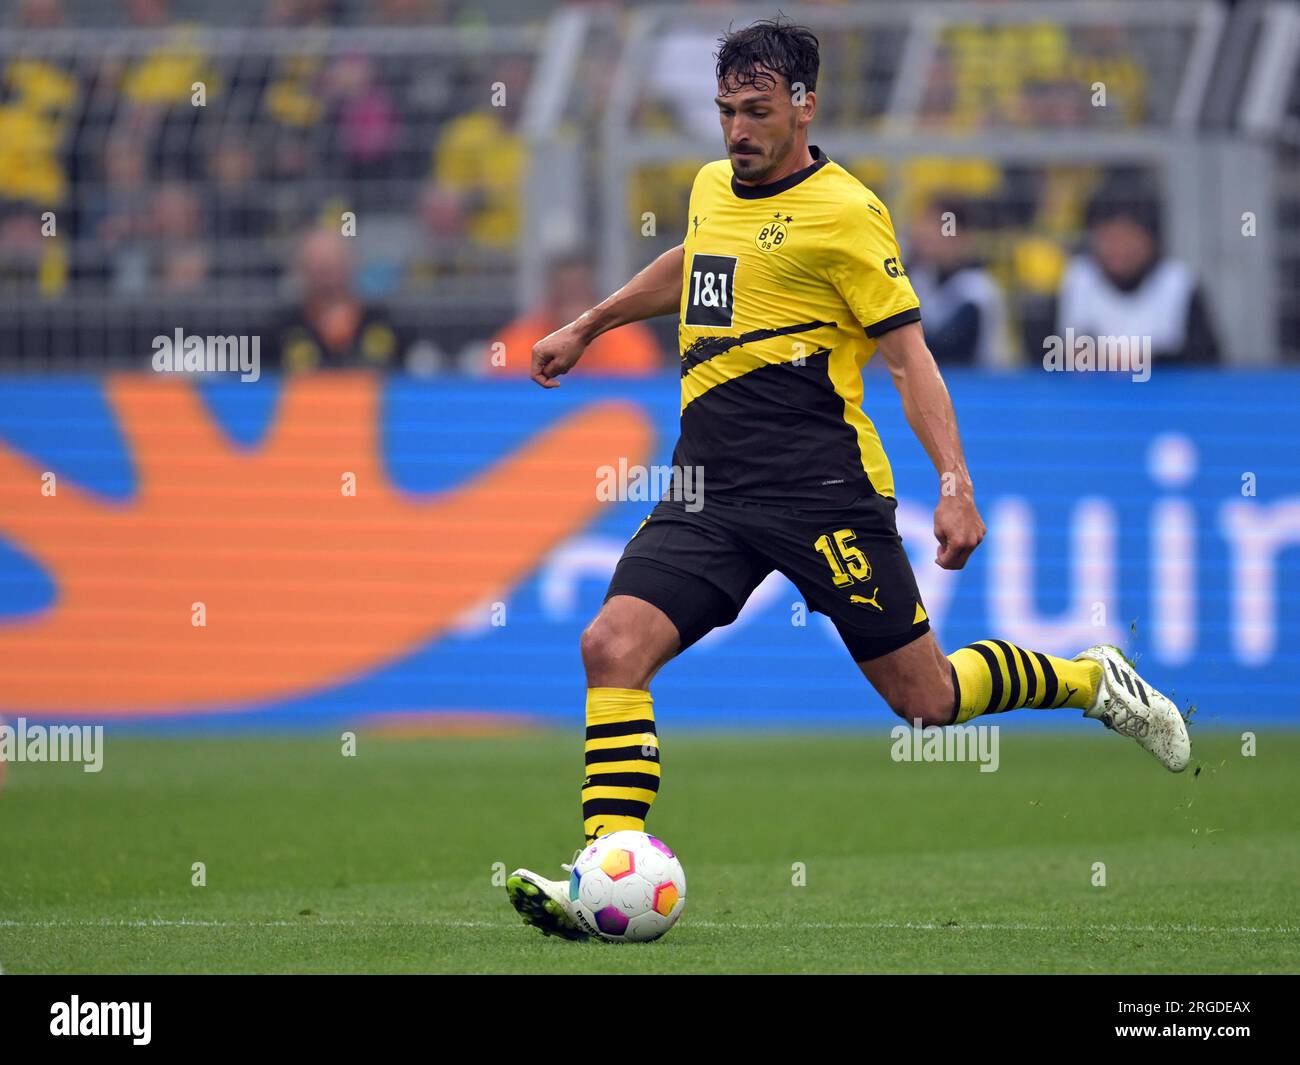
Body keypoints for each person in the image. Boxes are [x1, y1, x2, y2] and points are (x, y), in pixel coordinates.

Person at [506, 18, 1190, 940]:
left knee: (927, 701)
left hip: (823, 492)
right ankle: (605, 872)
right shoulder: (714, 186)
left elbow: (908, 361)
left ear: (802, 106)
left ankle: (1087, 679)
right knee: (611, 646)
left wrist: (954, 482)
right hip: (708, 489)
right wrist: (590, 325)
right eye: (724, 112)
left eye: (755, 111)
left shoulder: (847, 214)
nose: (736, 131)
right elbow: (697, 262)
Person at [1056, 195, 1220, 365]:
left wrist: (1143, 360)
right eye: (1109, 239)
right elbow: (1059, 353)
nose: (1119, 249)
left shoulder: (1178, 283)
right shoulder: (1080, 277)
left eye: (1129, 238)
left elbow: (1205, 361)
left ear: (1151, 240)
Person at [486, 256, 662, 377]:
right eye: (565, 293)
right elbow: (502, 391)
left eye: (578, 292)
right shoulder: (519, 339)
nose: (572, 306)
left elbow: (641, 388)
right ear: (551, 294)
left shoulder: (629, 340)